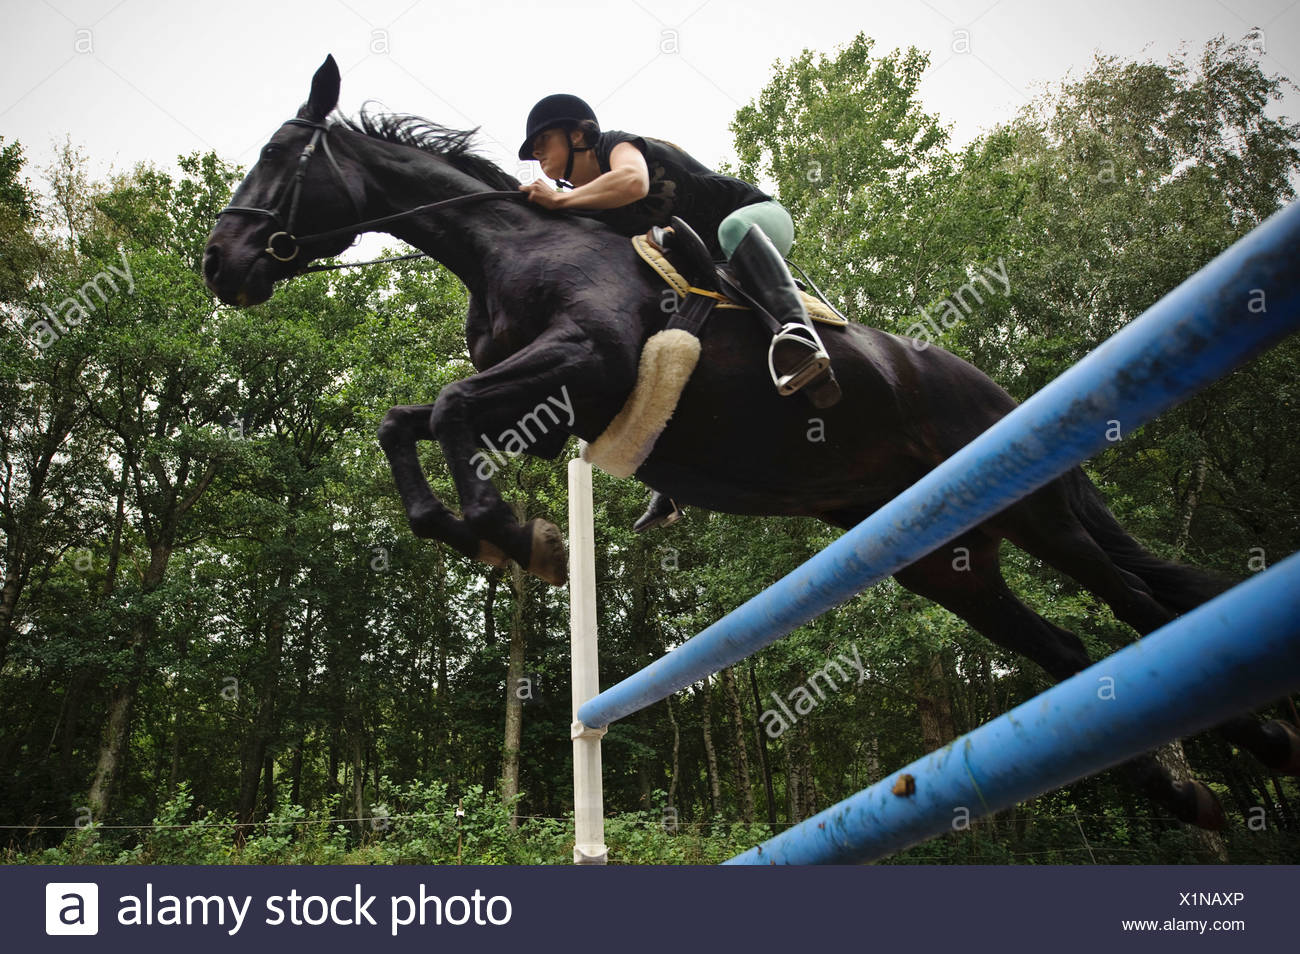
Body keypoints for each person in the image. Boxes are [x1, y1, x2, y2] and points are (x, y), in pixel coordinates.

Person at [517, 94, 839, 531]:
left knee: (732, 229)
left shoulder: (619, 146)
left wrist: (556, 202)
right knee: (663, 332)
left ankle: (799, 338)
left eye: (543, 139)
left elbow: (632, 183)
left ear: (578, 135)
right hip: (707, 265)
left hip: (754, 219)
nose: (535, 152)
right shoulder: (587, 205)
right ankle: (670, 478)